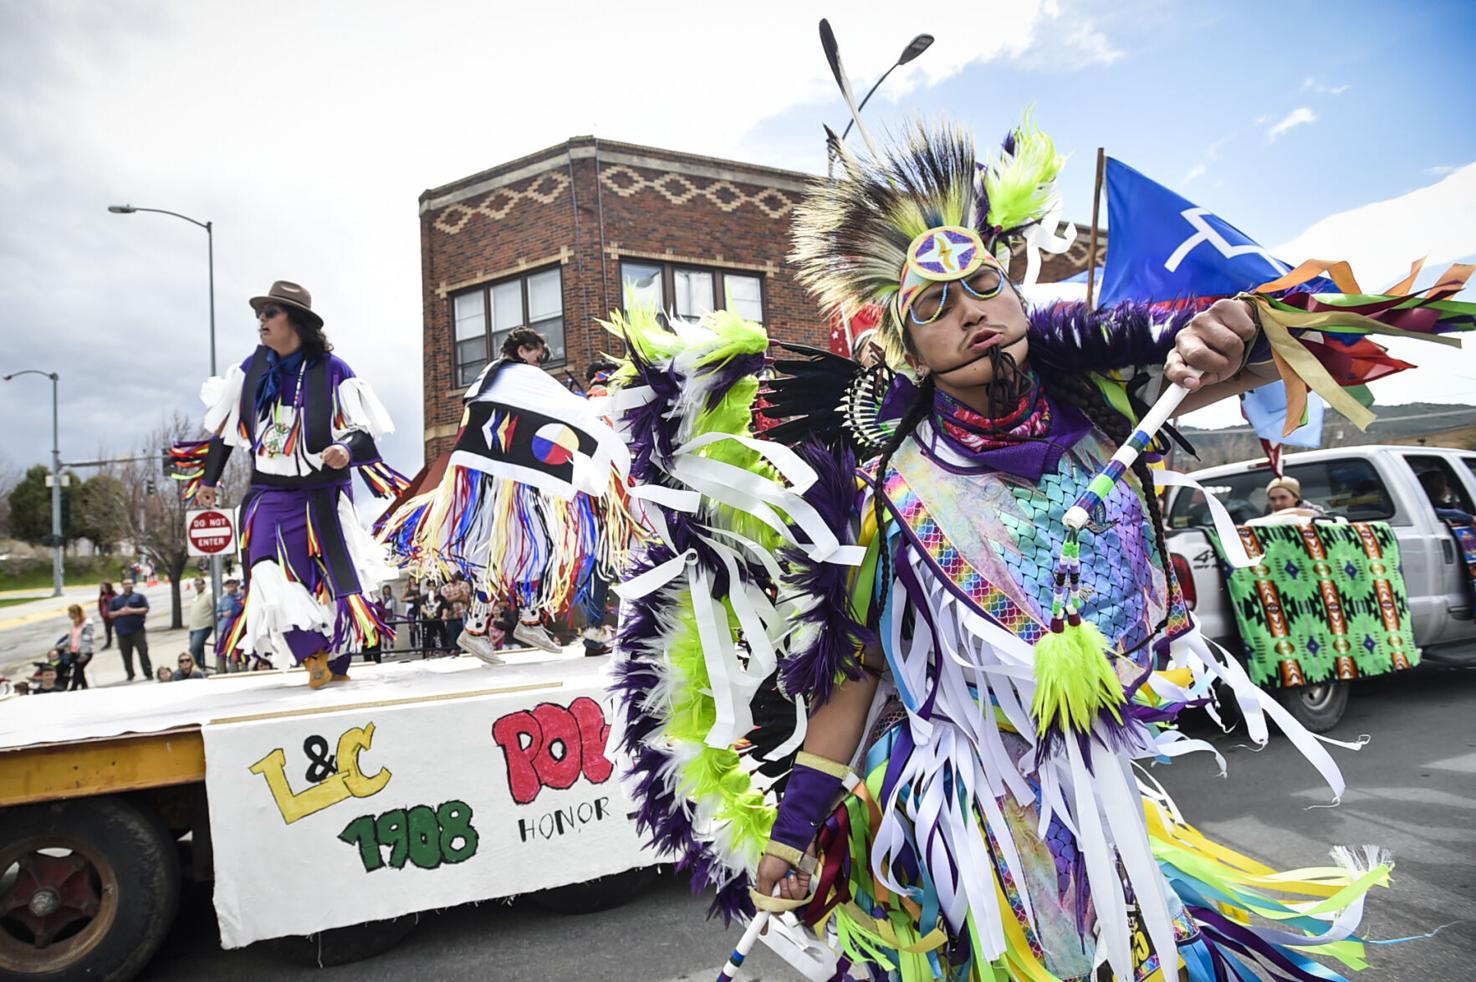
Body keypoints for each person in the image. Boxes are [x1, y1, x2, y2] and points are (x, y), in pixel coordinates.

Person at [609, 113, 1421, 981]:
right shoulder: (888, 490)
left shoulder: (1107, 404)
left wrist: (1239, 332)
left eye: (984, 282)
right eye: (934, 304)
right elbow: (861, 673)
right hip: (965, 817)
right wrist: (797, 826)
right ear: (906, 345)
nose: (971, 312)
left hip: (1100, 802)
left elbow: (1263, 357)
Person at [186, 281, 405, 689]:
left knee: (325, 577)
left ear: (297, 321)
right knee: (264, 568)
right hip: (270, 491)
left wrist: (344, 448)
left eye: (271, 313)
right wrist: (209, 479)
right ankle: (310, 651)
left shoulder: (332, 370)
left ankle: (336, 654)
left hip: (322, 492)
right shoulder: (251, 372)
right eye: (260, 314)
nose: (262, 320)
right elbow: (226, 430)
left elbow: (365, 432)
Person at [377, 326, 637, 665]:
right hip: (505, 486)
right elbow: (564, 410)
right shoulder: (516, 376)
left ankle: (493, 626)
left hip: (497, 482)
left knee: (518, 551)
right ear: (522, 349)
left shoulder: (492, 377)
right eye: (537, 356)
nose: (540, 365)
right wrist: (597, 417)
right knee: (530, 548)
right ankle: (505, 626)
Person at [108, 577, 152, 681]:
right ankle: (130, 674)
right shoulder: (116, 600)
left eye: (130, 584)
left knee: (143, 652)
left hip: (137, 631)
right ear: (122, 586)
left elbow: (145, 609)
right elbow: (110, 614)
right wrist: (120, 612)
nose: (128, 586)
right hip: (122, 632)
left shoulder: (139, 597)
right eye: (126, 584)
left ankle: (148, 673)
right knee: (126, 655)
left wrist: (131, 610)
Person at [50, 604, 95, 691]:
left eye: (71, 613)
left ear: (76, 613)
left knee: (77, 670)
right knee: (79, 670)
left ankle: (74, 688)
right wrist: (59, 646)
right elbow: (71, 639)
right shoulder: (75, 624)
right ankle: (84, 686)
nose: (69, 615)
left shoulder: (87, 624)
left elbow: (87, 639)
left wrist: (83, 652)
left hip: (84, 652)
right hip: (74, 651)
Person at [215, 578, 245, 673]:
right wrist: (223, 614)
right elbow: (217, 613)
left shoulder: (241, 597)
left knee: (234, 652)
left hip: (236, 629)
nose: (230, 586)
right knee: (220, 651)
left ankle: (234, 672)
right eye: (228, 584)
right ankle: (221, 672)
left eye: (232, 584)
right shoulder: (223, 598)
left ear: (236, 585)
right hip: (223, 629)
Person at [186, 575, 214, 666]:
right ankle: (200, 668)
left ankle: (193, 668)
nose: (197, 586)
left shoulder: (209, 595)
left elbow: (214, 608)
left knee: (194, 650)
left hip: (204, 626)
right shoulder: (197, 596)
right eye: (195, 584)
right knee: (198, 651)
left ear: (204, 584)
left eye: (199, 584)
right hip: (193, 627)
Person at [97, 582, 117, 649]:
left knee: (118, 630)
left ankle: (122, 643)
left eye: (105, 587)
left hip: (114, 615)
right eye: (102, 588)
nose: (103, 589)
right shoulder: (102, 596)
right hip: (106, 616)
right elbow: (100, 606)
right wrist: (102, 614)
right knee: (108, 631)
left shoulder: (114, 595)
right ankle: (108, 643)